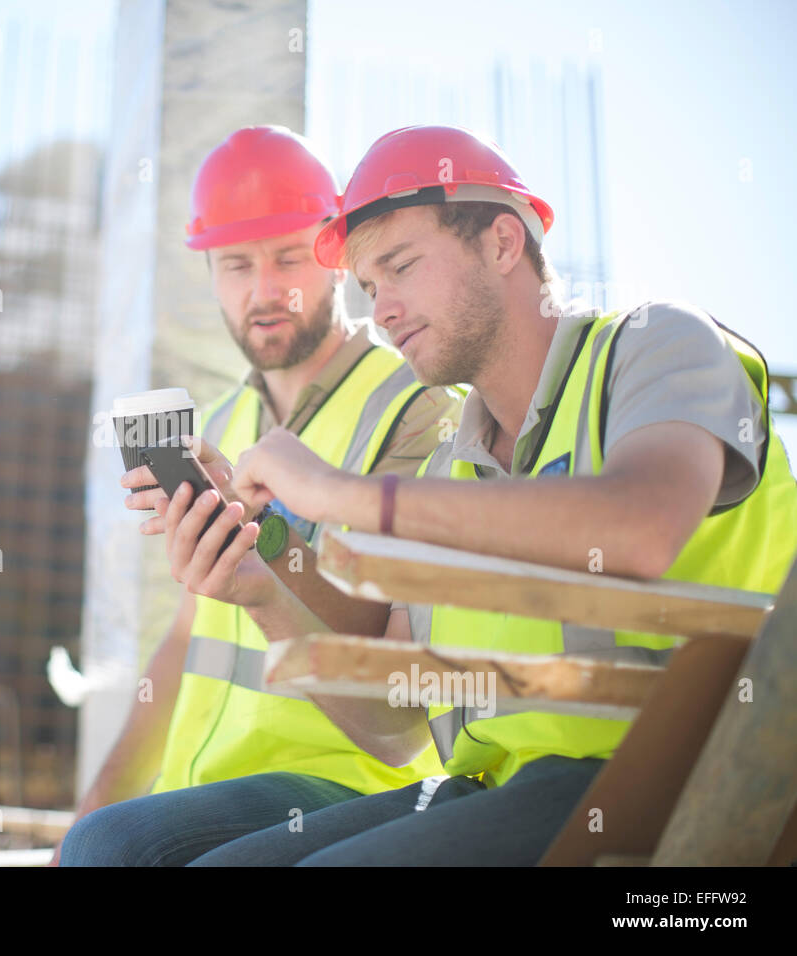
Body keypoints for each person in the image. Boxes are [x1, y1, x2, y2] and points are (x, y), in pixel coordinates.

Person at [186, 124, 797, 865]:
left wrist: (340, 493)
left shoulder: (658, 344)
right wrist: (262, 577)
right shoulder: (455, 468)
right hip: (496, 789)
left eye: (402, 267)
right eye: (370, 287)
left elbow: (640, 527)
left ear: (504, 243)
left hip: (668, 772)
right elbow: (395, 721)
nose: (380, 309)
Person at [54, 126, 463, 866]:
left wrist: (272, 548)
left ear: (335, 256)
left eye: (287, 257)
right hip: (202, 793)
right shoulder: (217, 426)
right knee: (100, 842)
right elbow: (186, 640)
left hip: (348, 784)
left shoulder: (417, 405)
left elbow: (397, 668)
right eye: (237, 264)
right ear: (211, 274)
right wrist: (95, 805)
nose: (264, 290)